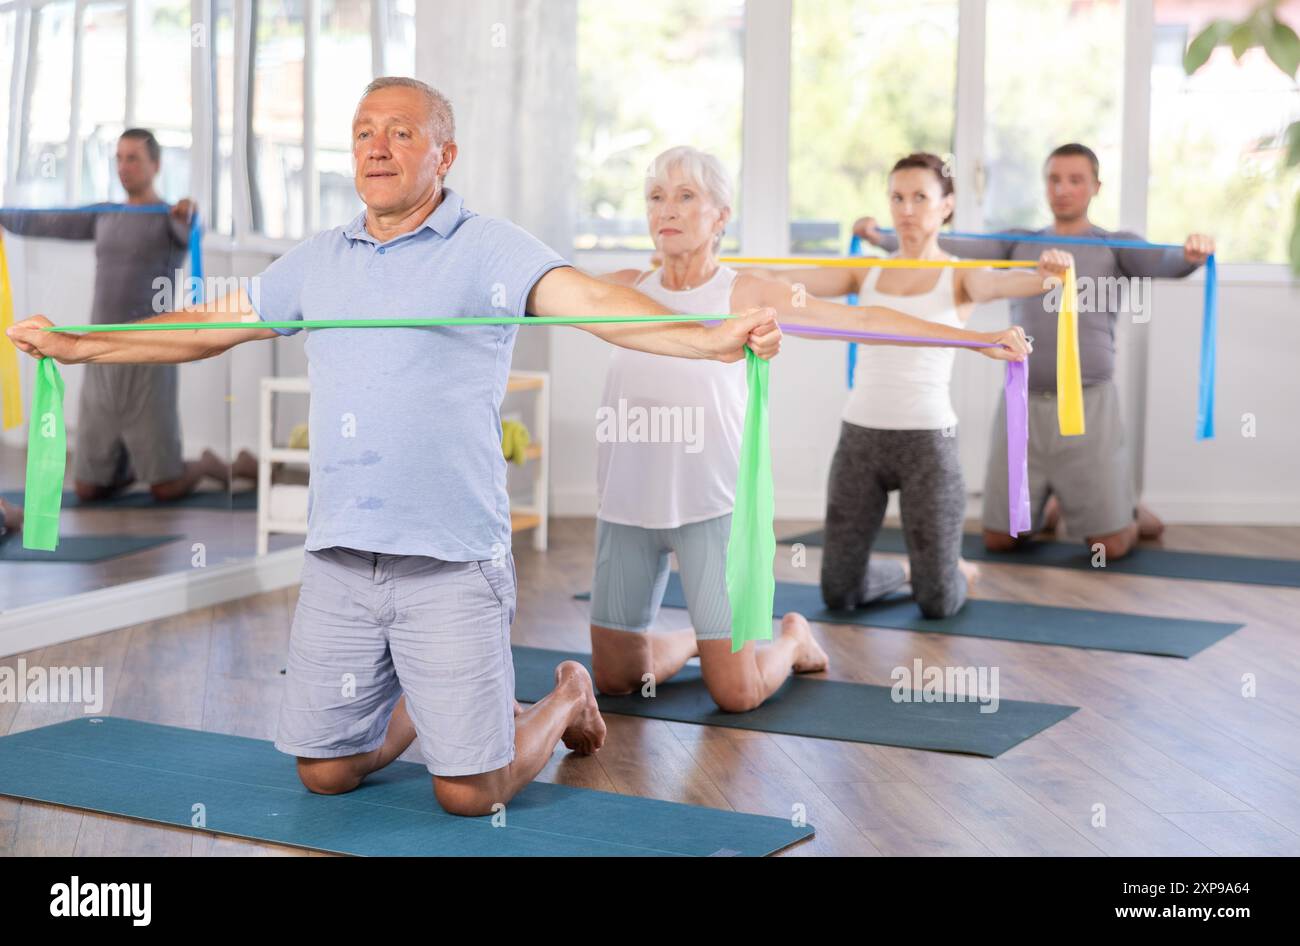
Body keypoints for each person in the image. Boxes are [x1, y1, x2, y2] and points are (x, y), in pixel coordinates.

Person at [8, 77, 781, 817]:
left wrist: (706, 338)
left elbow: (594, 302)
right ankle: (439, 700)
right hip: (343, 556)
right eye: (363, 134)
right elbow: (208, 325)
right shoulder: (321, 257)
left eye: (401, 133)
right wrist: (81, 345)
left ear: (444, 155)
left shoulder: (490, 249)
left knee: (469, 795)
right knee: (326, 773)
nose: (376, 148)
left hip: (451, 562)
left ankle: (567, 696)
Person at [586, 146, 1031, 711]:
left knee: (737, 693)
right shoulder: (624, 289)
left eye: (685, 196)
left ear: (721, 215)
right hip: (625, 505)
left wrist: (973, 339)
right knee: (618, 679)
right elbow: (544, 294)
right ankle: (703, 642)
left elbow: (862, 318)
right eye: (655, 197)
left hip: (711, 506)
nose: (666, 209)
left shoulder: (743, 293)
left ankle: (794, 640)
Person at [854, 143, 1214, 560]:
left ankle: (1126, 511)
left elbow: (1166, 262)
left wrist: (1192, 256)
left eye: (1075, 180)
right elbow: (950, 245)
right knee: (999, 541)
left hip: (1087, 403)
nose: (1063, 189)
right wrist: (879, 236)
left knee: (1107, 547)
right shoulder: (1020, 243)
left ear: (1095, 187)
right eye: (1054, 179)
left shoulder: (1115, 244)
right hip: (1020, 401)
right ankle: (1054, 504)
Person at [745, 153, 1066, 618]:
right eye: (898, 197)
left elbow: (1015, 283)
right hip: (860, 441)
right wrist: (710, 266)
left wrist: (1049, 274)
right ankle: (910, 571)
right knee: (839, 593)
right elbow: (787, 282)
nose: (907, 209)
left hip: (929, 445)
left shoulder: (961, 275)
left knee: (937, 602)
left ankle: (951, 572)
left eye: (921, 197)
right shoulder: (866, 271)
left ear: (947, 205)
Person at [0, 128, 256, 501]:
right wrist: (5, 217)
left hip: (150, 355)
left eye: (133, 158)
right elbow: (48, 219)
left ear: (155, 165)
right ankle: (125, 466)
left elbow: (189, 227)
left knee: (165, 489)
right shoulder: (105, 215)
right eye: (119, 158)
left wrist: (189, 211)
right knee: (88, 488)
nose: (124, 166)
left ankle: (206, 464)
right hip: (100, 354)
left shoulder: (170, 217)